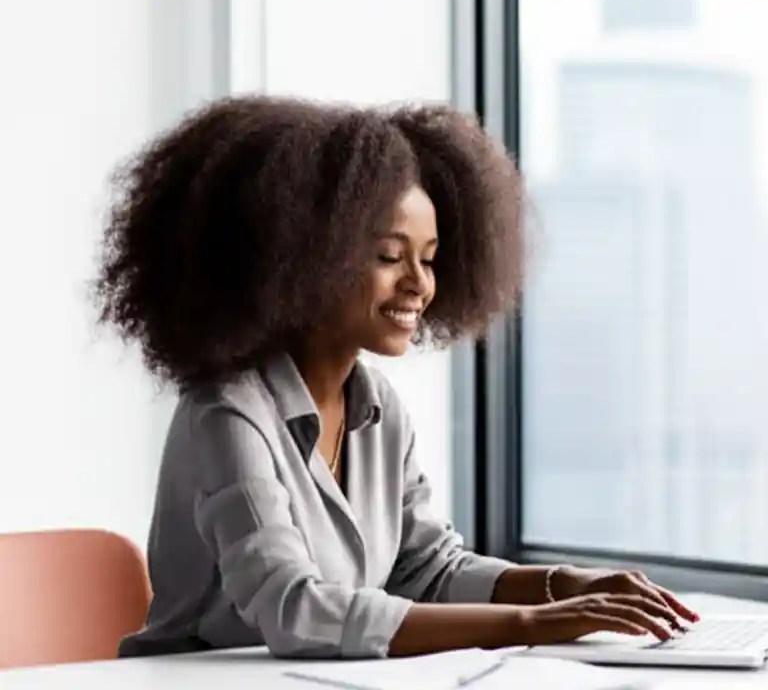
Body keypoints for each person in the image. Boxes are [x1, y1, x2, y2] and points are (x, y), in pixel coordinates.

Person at [96, 96, 698, 659]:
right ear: (303, 259)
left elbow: (427, 570)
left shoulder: (377, 405)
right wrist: (536, 624)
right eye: (390, 257)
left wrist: (563, 584)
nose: (420, 283)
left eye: (429, 258)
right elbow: (293, 608)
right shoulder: (228, 412)